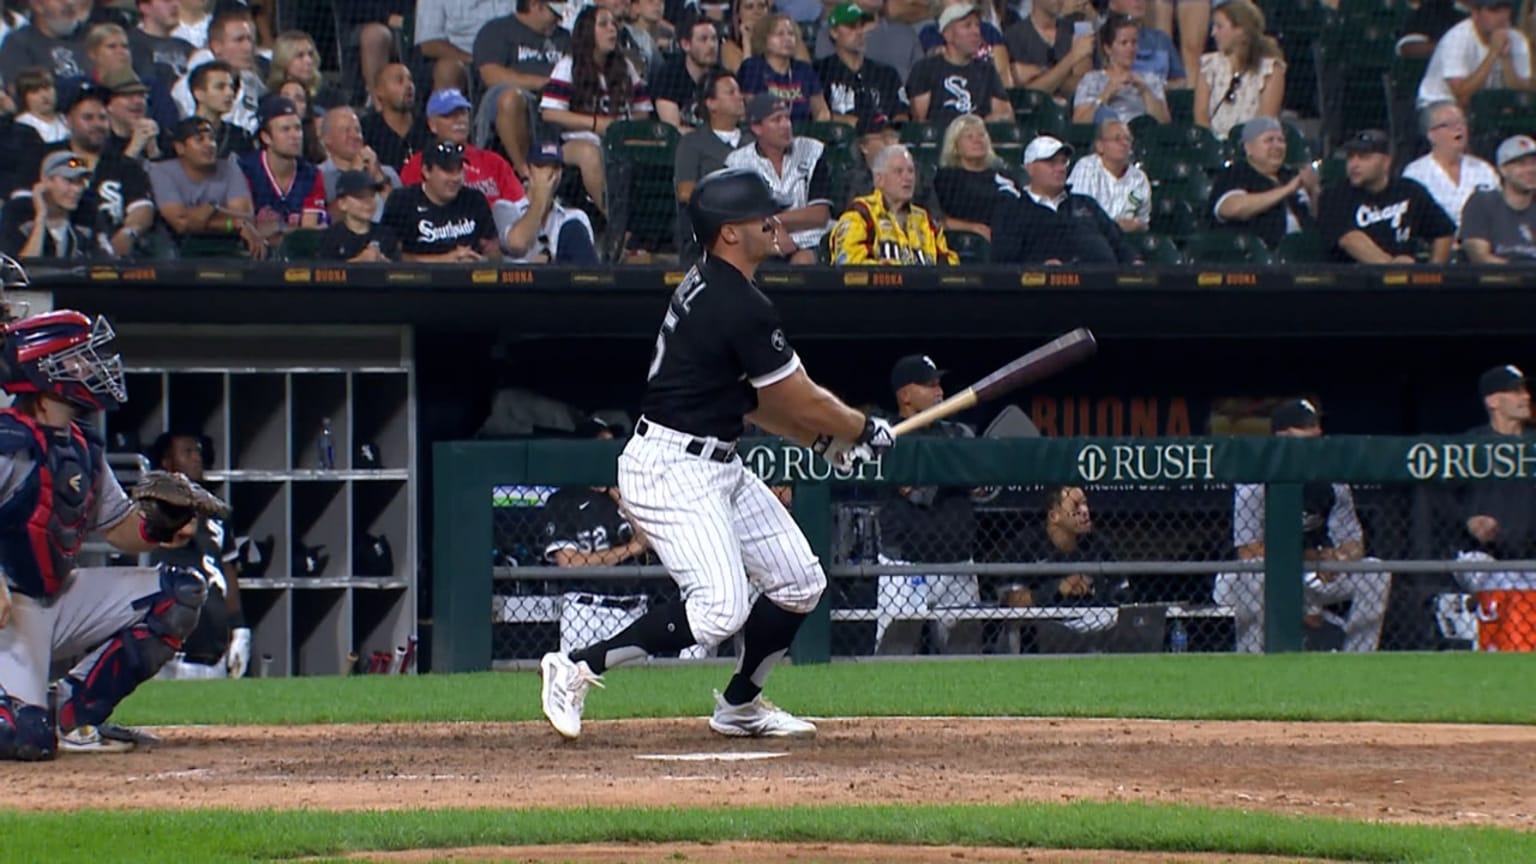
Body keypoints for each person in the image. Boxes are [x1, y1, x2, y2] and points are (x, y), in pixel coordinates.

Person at [538, 167, 895, 740]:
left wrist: (827, 441)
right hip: (671, 469)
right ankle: (577, 666)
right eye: (762, 216)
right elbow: (798, 397)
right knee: (718, 610)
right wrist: (861, 429)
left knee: (799, 582)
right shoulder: (735, 303)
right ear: (730, 232)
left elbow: (756, 402)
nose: (774, 222)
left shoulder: (719, 285)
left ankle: (739, 706)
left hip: (715, 462)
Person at [0, 280, 222, 760]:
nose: (89, 367)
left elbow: (119, 524)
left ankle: (72, 713)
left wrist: (162, 524)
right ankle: (24, 710)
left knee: (178, 594)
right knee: (25, 740)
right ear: (46, 371)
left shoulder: (82, 447)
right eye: (76, 357)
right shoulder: (7, 441)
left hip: (52, 597)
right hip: (6, 609)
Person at [1213, 399, 1392, 654]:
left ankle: (1358, 657)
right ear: (1282, 436)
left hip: (1310, 576)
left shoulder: (1333, 482)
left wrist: (1339, 558)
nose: (1316, 432)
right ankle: (1250, 656)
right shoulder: (1254, 482)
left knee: (1375, 572)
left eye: (1316, 425)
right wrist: (1314, 557)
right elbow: (1250, 551)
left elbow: (1354, 543)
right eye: (1305, 427)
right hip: (1257, 579)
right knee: (1254, 571)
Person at [871, 354, 981, 655]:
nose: (940, 393)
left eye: (939, 385)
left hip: (958, 561)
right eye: (929, 385)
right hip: (905, 566)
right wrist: (957, 473)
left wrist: (953, 473)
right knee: (895, 652)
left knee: (965, 653)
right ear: (905, 394)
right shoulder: (886, 435)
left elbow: (982, 482)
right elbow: (917, 491)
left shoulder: (958, 433)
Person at [148, 431, 249, 680]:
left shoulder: (210, 535)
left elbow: (227, 575)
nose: (197, 459)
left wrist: (239, 628)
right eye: (187, 452)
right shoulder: (145, 546)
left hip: (212, 659)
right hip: (164, 662)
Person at [1451, 366, 1536, 650]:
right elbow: (1439, 504)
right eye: (1515, 391)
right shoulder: (1469, 446)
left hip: (1530, 555)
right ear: (1493, 401)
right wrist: (1467, 521)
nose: (1525, 397)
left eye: (1525, 390)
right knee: (1506, 583)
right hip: (1480, 556)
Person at [991, 135, 1140, 264]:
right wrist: (1038, 266)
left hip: (1105, 284)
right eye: (1051, 162)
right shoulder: (1014, 210)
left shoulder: (1085, 203)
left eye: (1063, 162)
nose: (1060, 168)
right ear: (1030, 168)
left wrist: (1134, 261)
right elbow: (1005, 260)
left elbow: (1118, 241)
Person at [724, 94, 833, 263]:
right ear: (757, 128)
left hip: (811, 238)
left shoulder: (813, 151)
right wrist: (771, 234)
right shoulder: (737, 164)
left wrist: (774, 222)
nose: (786, 125)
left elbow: (819, 215)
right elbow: (739, 219)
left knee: (803, 261)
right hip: (760, 241)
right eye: (776, 120)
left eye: (787, 118)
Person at [1317, 129, 1455, 264]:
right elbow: (1349, 240)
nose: (1354, 164)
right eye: (1351, 157)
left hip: (1405, 280)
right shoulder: (1335, 195)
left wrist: (1432, 273)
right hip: (1352, 281)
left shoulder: (1409, 190)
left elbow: (1444, 231)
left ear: (1386, 162)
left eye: (1364, 157)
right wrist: (1392, 267)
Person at [829, 145, 956, 265]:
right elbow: (848, 262)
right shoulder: (860, 215)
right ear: (879, 180)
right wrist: (887, 273)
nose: (908, 178)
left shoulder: (925, 220)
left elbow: (948, 264)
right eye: (898, 171)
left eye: (911, 171)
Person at [1207, 116, 1317, 249]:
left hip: (1302, 255)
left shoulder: (1289, 175)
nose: (1277, 146)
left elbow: (1317, 220)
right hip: (1250, 257)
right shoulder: (1236, 173)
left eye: (1281, 140)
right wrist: (1287, 190)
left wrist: (1314, 191)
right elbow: (1232, 208)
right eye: (1269, 140)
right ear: (1248, 148)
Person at [381, 140, 500, 262]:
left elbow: (493, 250)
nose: (455, 178)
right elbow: (391, 256)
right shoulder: (403, 201)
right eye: (447, 170)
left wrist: (480, 260)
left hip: (469, 277)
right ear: (426, 171)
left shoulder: (474, 199)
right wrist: (446, 260)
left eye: (459, 169)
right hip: (419, 279)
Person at [1192, 0, 1286, 140]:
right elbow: (1201, 115)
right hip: (1213, 147)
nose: (1213, 33)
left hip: (1252, 146)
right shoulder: (1209, 65)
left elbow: (1265, 119)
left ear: (1240, 30)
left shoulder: (1271, 70)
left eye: (1219, 27)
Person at [908, 4, 1012, 128]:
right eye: (967, 25)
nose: (976, 32)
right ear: (948, 34)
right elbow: (920, 121)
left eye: (977, 25)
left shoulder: (987, 70)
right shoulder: (925, 69)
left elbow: (1005, 113)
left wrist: (974, 128)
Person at [1401, 101, 1499, 231]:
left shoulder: (1483, 169)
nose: (1458, 128)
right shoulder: (1416, 173)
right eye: (1448, 125)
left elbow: (1499, 212)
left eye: (1462, 123)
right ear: (1431, 135)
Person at [1416, 0, 1531, 109]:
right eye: (1494, 10)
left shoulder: (1518, 40)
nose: (1501, 17)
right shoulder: (1456, 38)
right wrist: (1493, 53)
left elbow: (1521, 94)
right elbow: (1461, 96)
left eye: (1506, 10)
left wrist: (1507, 59)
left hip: (1485, 109)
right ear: (1475, 13)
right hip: (1438, 105)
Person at [1072, 15, 1170, 125]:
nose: (1131, 48)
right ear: (1108, 48)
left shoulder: (1150, 79)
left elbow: (1164, 123)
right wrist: (1106, 94)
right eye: (1124, 43)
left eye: (1134, 42)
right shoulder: (1092, 80)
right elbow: (1079, 122)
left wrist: (1145, 91)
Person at [0, 151, 95, 261]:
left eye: (80, 182)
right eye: (69, 181)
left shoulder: (87, 214)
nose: (77, 190)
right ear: (46, 180)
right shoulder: (17, 212)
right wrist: (41, 217)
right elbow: (21, 270)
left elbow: (104, 262)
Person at [1066, 118, 1152, 234]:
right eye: (1117, 139)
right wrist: (1115, 226)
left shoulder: (1139, 178)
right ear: (1100, 146)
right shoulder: (1086, 167)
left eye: (1128, 139)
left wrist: (1137, 225)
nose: (1124, 143)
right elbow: (1079, 215)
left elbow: (1144, 222)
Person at [1460, 134, 1536, 263]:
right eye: (1521, 164)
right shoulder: (1481, 203)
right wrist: (1520, 273)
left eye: (1534, 163)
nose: (1531, 170)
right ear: (1503, 170)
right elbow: (1479, 257)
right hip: (1495, 280)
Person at [316, 170, 402, 262]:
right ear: (342, 203)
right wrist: (360, 261)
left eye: (372, 196)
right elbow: (323, 272)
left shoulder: (386, 235)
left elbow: (398, 272)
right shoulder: (330, 237)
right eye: (360, 197)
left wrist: (382, 262)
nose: (368, 202)